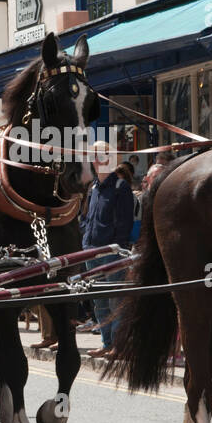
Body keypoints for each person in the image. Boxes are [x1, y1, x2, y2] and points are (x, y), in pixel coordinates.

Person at [81, 141, 134, 357]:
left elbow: (125, 222)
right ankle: (106, 343)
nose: (96, 160)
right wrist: (85, 237)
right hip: (91, 251)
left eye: (101, 154)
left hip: (111, 253)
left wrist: (116, 246)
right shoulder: (93, 188)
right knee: (99, 301)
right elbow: (86, 218)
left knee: (115, 299)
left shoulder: (121, 187)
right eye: (94, 155)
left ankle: (118, 345)